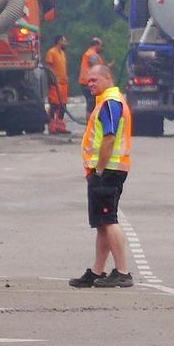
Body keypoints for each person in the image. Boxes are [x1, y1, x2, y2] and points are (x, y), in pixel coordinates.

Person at [70, 78, 134, 288]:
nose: (90, 83)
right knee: (101, 223)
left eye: (95, 79)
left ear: (108, 79)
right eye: (88, 80)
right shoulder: (106, 101)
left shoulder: (110, 102)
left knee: (108, 219)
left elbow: (109, 137)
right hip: (106, 170)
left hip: (108, 171)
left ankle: (122, 271)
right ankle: (97, 271)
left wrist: (99, 168)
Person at [44, 34, 70, 134]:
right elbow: (49, 67)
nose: (66, 43)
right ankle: (52, 126)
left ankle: (60, 126)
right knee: (54, 105)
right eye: (64, 41)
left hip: (63, 83)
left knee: (63, 106)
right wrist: (51, 80)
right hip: (56, 84)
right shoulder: (51, 52)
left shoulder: (62, 53)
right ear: (59, 41)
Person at [78, 37, 107, 115]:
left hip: (85, 83)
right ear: (96, 45)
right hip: (89, 83)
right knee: (92, 105)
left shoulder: (88, 53)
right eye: (101, 46)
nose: (101, 48)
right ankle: (91, 124)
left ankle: (91, 123)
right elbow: (96, 68)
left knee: (92, 104)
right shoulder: (92, 55)